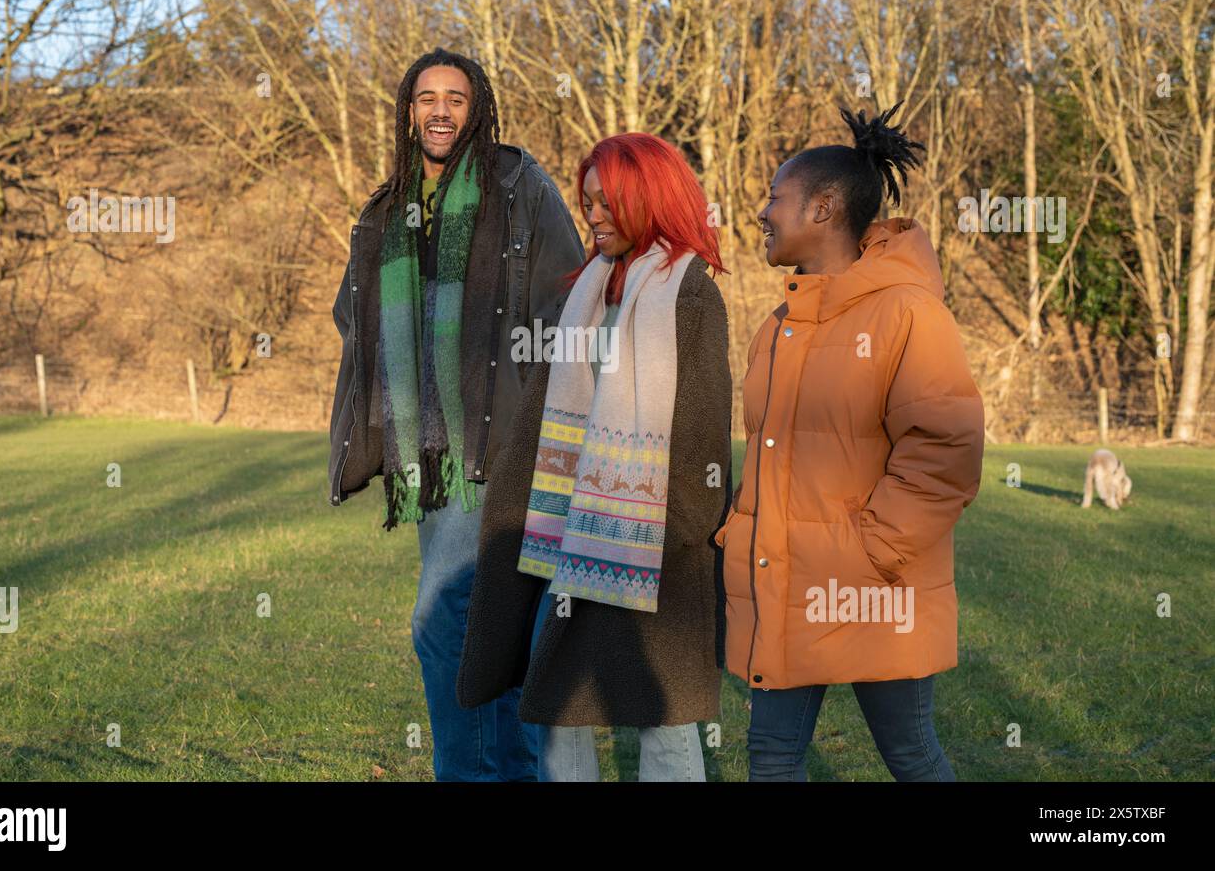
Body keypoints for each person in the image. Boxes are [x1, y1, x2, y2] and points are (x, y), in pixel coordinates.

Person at [327, 48, 585, 781]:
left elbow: (565, 305)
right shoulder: (388, 205)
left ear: (478, 109)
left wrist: (533, 415)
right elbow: (353, 312)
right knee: (491, 630)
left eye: (457, 97)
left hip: (503, 449)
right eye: (426, 97)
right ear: (408, 111)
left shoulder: (519, 186)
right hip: (427, 457)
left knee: (441, 626)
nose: (440, 109)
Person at [718, 104, 985, 781]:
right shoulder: (779, 323)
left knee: (910, 755)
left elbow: (944, 448)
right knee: (772, 757)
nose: (761, 212)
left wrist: (872, 551)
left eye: (775, 197)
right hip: (784, 582)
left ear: (825, 207)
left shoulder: (907, 309)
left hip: (875, 586)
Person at [456, 132, 732, 782]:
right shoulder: (587, 292)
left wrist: (676, 528)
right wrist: (519, 506)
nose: (595, 216)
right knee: (559, 711)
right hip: (564, 536)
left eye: (609, 203)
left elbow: (702, 434)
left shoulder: (689, 293)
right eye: (588, 205)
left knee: (664, 724)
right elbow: (546, 413)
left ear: (649, 199)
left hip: (654, 547)